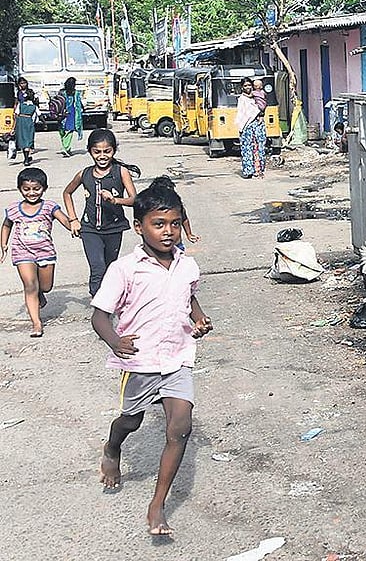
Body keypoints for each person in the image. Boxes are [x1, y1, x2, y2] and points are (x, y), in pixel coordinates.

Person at [91, 177, 212, 536]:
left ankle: (157, 505)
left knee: (180, 428)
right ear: (138, 226)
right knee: (131, 421)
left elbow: (189, 297)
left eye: (174, 223)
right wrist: (114, 340)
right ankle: (113, 447)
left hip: (177, 358)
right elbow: (100, 315)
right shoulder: (124, 269)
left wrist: (199, 318)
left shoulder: (187, 266)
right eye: (158, 224)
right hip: (140, 361)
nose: (168, 231)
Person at [63, 129, 140, 296]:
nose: (102, 156)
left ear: (114, 150)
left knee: (110, 268)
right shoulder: (84, 174)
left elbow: (134, 199)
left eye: (107, 151)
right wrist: (73, 219)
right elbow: (67, 193)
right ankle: (98, 302)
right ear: (90, 151)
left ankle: (110, 298)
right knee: (97, 267)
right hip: (89, 229)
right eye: (97, 152)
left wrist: (116, 200)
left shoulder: (121, 172)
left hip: (114, 229)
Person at [1, 167, 72, 336]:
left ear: (44, 188)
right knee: (30, 285)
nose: (31, 193)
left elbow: (64, 220)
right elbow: (6, 225)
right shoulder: (14, 209)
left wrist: (75, 227)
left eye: (36, 189)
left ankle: (40, 292)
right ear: (20, 189)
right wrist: (3, 244)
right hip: (22, 252)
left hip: (45, 252)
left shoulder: (49, 207)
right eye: (26, 189)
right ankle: (36, 323)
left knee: (45, 286)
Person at [235, 77, 267, 179]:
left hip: (258, 125)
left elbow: (262, 106)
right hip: (247, 127)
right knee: (247, 149)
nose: (248, 87)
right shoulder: (242, 99)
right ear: (242, 87)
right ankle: (248, 171)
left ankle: (258, 170)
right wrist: (242, 126)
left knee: (259, 148)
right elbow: (241, 113)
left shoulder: (256, 96)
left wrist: (261, 115)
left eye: (249, 85)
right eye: (245, 86)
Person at [58, 77, 84, 157]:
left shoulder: (64, 92)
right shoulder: (65, 93)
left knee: (68, 130)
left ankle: (66, 147)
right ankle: (66, 148)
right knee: (64, 131)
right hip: (67, 113)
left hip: (69, 113)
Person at [14, 77, 38, 166]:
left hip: (27, 114)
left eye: (24, 83)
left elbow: (36, 103)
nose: (23, 84)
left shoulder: (30, 92)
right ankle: (27, 157)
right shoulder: (18, 93)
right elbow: (16, 102)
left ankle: (27, 157)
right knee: (25, 137)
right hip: (22, 115)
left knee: (27, 137)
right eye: (21, 83)